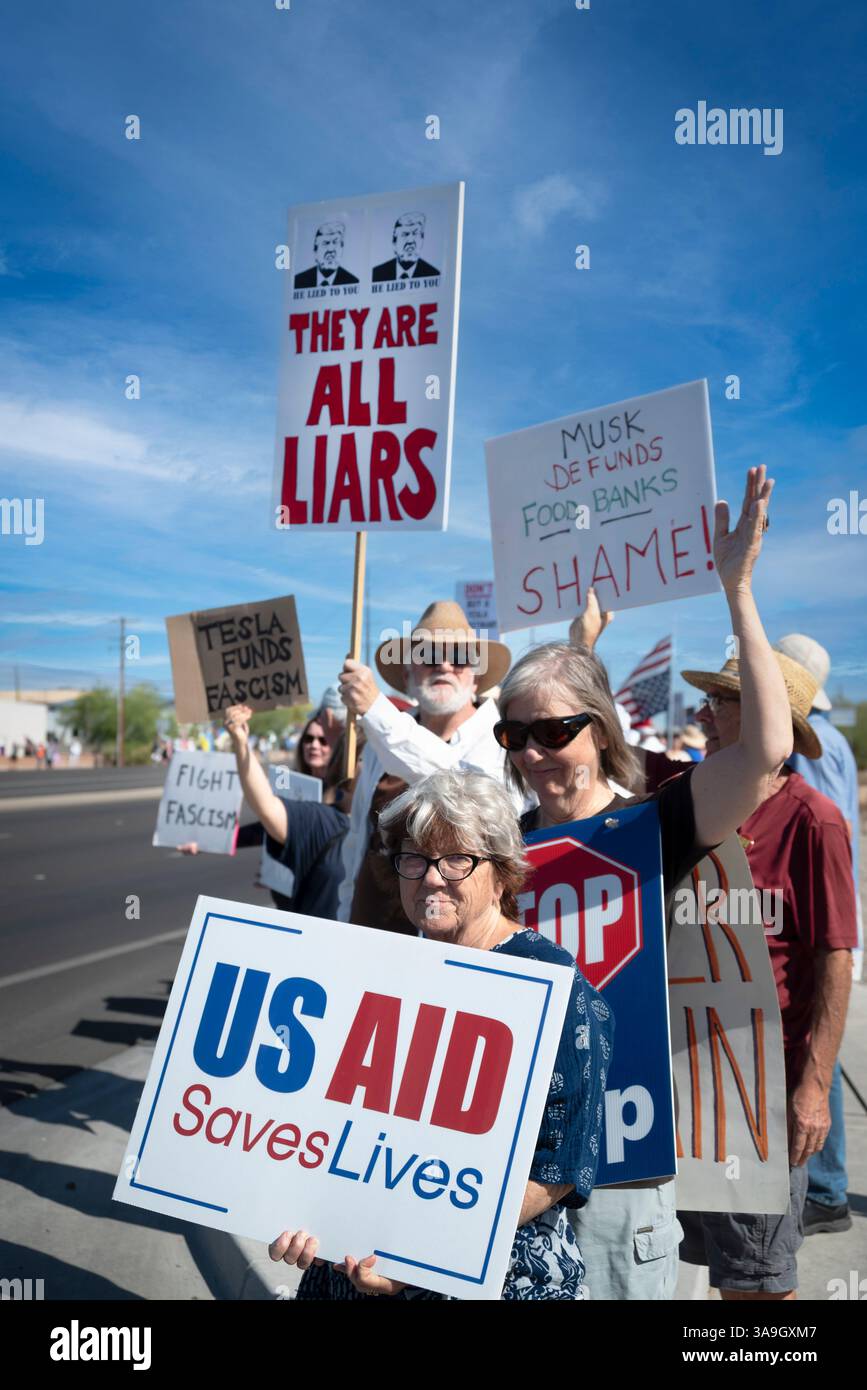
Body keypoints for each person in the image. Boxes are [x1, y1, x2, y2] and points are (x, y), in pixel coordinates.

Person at [495, 465, 795, 1300]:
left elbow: (765, 752)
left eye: (552, 730)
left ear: (601, 730)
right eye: (512, 733)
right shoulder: (505, 849)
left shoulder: (653, 825)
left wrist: (736, 591)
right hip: (515, 1172)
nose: (529, 751)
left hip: (623, 1174)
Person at [270, 768, 613, 1300]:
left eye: (457, 859)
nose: (432, 878)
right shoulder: (379, 972)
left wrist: (426, 1255)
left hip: (491, 1278)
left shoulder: (550, 984)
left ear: (501, 872)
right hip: (350, 1271)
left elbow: (560, 1165)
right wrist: (299, 1211)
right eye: (414, 859)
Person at [674, 645, 858, 1298]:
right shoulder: (689, 800)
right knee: (719, 1263)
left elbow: (834, 955)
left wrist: (812, 1088)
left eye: (723, 700)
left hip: (762, 1087)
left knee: (756, 1280)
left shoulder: (815, 821)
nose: (705, 711)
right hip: (687, 1082)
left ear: (765, 718)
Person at [336, 600, 520, 933]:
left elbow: (466, 793)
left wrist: (377, 711)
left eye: (461, 657)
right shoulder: (381, 739)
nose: (445, 666)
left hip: (458, 946)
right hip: (373, 935)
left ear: (476, 676)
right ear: (408, 673)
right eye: (429, 656)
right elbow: (358, 843)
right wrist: (343, 918)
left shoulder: (503, 737)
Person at [770, 634, 859, 1237]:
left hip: (816, 904)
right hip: (829, 901)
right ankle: (827, 1187)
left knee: (812, 1060)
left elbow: (816, 815)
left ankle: (824, 1188)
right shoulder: (842, 743)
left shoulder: (811, 753)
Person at [181, 704, 354, 921]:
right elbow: (268, 822)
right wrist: (209, 840)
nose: (314, 745)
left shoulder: (347, 805)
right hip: (298, 904)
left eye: (323, 740)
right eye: (309, 739)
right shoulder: (292, 785)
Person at [372, 212, 440, 281]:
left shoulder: (434, 274)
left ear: (422, 239)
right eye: (405, 234)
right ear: (394, 242)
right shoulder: (376, 274)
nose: (410, 241)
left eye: (415, 233)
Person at [294, 222, 359, 288]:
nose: (331, 249)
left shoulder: (353, 282)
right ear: (315, 251)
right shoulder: (298, 282)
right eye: (325, 243)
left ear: (341, 248)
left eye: (335, 242)